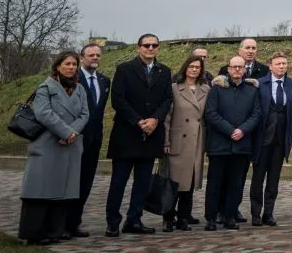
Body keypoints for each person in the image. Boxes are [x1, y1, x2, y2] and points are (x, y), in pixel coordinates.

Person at [105, 32, 173, 237]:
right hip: (127, 134)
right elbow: (118, 99)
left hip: (151, 135)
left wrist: (155, 119)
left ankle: (134, 219)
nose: (150, 49)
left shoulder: (164, 71)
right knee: (118, 182)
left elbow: (167, 100)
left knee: (143, 183)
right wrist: (137, 120)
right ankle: (113, 222)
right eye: (146, 45)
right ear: (138, 47)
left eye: (154, 45)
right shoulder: (124, 69)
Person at [19, 51, 90, 245]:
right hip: (48, 144)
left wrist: (72, 133)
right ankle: (34, 234)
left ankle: (54, 231)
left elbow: (84, 114)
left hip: (70, 146)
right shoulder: (45, 88)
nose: (71, 67)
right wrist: (65, 132)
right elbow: (43, 114)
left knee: (62, 190)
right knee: (40, 190)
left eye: (74, 64)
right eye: (67, 64)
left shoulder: (80, 89)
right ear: (58, 66)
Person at [203, 55, 262, 230]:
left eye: (240, 67)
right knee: (215, 183)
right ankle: (211, 218)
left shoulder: (252, 90)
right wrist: (230, 130)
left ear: (245, 70)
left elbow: (256, 114)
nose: (237, 70)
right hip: (219, 145)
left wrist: (243, 130)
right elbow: (211, 114)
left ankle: (230, 216)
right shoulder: (217, 89)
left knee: (235, 184)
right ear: (228, 69)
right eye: (234, 67)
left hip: (242, 145)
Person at [65, 43, 110, 239]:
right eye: (90, 55)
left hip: (94, 139)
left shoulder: (104, 80)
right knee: (69, 181)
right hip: (74, 136)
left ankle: (75, 222)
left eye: (97, 55)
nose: (94, 58)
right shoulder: (72, 79)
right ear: (82, 57)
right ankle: (62, 223)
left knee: (85, 182)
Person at [163, 55, 210, 231]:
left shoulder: (206, 89)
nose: (194, 69)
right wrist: (166, 140)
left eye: (198, 67)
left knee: (189, 183)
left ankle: (183, 217)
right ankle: (168, 218)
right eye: (191, 66)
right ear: (185, 68)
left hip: (196, 140)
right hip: (178, 140)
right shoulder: (174, 88)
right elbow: (167, 117)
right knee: (174, 183)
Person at [250, 53, 292, 227]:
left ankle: (268, 213)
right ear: (270, 66)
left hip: (281, 138)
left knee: (274, 179)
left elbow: (290, 112)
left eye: (284, 63)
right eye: (278, 64)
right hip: (263, 138)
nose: (282, 67)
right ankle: (256, 213)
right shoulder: (260, 84)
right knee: (258, 177)